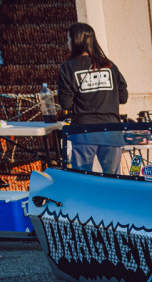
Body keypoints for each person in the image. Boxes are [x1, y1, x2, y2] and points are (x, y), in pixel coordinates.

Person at [57, 22, 128, 174]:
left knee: (82, 180)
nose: (67, 43)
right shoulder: (109, 65)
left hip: (84, 133)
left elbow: (65, 103)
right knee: (113, 179)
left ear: (76, 41)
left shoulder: (67, 68)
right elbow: (123, 97)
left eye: (68, 39)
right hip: (111, 131)